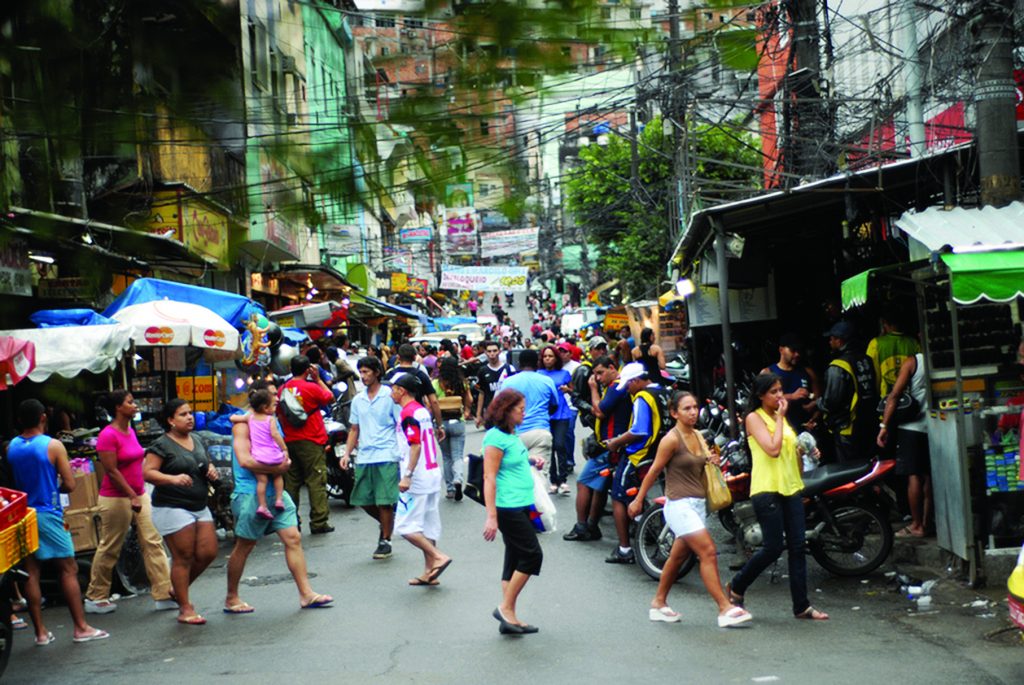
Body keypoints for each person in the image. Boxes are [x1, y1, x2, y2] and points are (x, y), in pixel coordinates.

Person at [629, 391, 753, 627]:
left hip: (697, 505)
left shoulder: (698, 435)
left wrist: (713, 462)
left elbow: (705, 464)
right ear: (674, 413)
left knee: (676, 558)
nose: (693, 412)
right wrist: (638, 499)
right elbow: (654, 470)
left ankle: (659, 603)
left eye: (695, 407)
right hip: (679, 505)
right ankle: (724, 608)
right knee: (707, 551)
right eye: (686, 408)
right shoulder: (671, 439)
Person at [226, 380, 333, 613]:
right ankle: (232, 596)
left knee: (293, 537)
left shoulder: (272, 420)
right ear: (259, 398)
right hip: (250, 493)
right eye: (273, 394)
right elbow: (245, 461)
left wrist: (284, 463)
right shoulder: (243, 425)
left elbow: (279, 452)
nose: (278, 398)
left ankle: (306, 594)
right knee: (245, 545)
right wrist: (280, 469)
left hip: (276, 491)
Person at [7, 399, 109, 645]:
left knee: (31, 572)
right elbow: (71, 483)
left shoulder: (12, 446)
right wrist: (56, 487)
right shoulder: (53, 446)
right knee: (68, 569)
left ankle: (40, 633)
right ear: (43, 417)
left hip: (21, 513)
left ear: (20, 420)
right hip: (48, 512)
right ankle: (81, 627)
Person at [728, 373, 828, 621]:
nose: (779, 396)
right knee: (772, 548)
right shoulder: (754, 418)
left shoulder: (781, 419)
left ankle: (802, 606)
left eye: (780, 390)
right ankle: (737, 586)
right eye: (773, 392)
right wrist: (782, 418)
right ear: (760, 395)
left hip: (790, 487)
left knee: (797, 546)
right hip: (767, 489)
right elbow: (772, 450)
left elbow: (791, 455)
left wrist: (806, 450)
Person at [85, 390, 174, 615]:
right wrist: (131, 495)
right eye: (130, 402)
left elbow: (135, 459)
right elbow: (112, 470)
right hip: (115, 498)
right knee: (111, 545)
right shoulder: (107, 435)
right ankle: (96, 596)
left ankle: (164, 594)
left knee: (152, 541)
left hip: (140, 493)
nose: (135, 406)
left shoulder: (130, 431)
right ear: (118, 408)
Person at [143, 399, 219, 625]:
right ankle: (185, 608)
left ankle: (178, 589)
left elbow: (204, 463)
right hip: (172, 506)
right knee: (183, 557)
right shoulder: (162, 445)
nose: (189, 417)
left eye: (190, 413)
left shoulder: (195, 439)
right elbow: (147, 473)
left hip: (198, 504)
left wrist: (211, 470)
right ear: (170, 420)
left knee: (208, 552)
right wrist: (172, 479)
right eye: (183, 414)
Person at [482, 389, 544, 635]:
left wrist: (531, 460)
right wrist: (491, 517)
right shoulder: (494, 438)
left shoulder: (510, 434)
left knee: (514, 557)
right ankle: (505, 607)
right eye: (520, 409)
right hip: (507, 506)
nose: (524, 413)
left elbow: (512, 459)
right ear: (506, 411)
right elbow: (489, 477)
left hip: (520, 502)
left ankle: (509, 617)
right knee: (532, 555)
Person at [391, 374, 452, 586]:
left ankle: (437, 556)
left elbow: (415, 445)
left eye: (394, 388)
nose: (391, 392)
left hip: (417, 478)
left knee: (404, 526)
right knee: (428, 524)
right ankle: (430, 572)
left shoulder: (408, 413)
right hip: (432, 473)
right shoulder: (422, 411)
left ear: (402, 391)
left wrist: (407, 475)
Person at [564, 356, 633, 542]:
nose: (598, 378)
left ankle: (582, 526)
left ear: (612, 368)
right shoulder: (619, 387)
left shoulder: (616, 387)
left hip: (610, 445)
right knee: (599, 486)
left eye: (600, 373)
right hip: (613, 445)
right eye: (595, 374)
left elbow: (600, 412)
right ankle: (591, 525)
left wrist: (594, 389)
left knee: (584, 482)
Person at [603, 362, 665, 564]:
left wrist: (616, 442)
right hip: (663, 453)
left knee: (619, 496)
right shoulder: (664, 392)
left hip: (640, 454)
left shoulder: (642, 397)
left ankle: (624, 549)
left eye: (628, 385)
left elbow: (639, 430)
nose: (627, 389)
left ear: (636, 381)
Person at [343, 356, 403, 559]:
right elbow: (354, 429)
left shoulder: (390, 395)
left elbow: (400, 424)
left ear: (377, 372)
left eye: (367, 372)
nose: (363, 376)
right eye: (361, 372)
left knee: (384, 500)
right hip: (365, 455)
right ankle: (387, 522)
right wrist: (346, 453)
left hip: (387, 453)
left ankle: (385, 539)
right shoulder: (358, 400)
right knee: (362, 498)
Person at [279, 355, 336, 534]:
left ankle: (291, 521)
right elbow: (330, 397)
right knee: (316, 480)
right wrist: (318, 379)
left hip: (288, 440)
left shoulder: (282, 389)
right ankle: (319, 522)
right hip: (311, 439)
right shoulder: (312, 387)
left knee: (291, 482)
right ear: (307, 370)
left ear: (291, 369)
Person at [878, 351, 931, 538]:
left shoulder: (913, 362)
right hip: (935, 426)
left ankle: (917, 525)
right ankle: (925, 522)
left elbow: (894, 395)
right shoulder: (941, 359)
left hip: (912, 427)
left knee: (914, 476)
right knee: (928, 476)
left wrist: (884, 426)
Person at [498, 349, 560, 489]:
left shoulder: (508, 382)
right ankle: (536, 509)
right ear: (537, 363)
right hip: (540, 432)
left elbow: (500, 408)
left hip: (515, 435)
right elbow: (554, 405)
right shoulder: (547, 381)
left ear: (519, 363)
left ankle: (521, 508)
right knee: (539, 477)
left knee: (515, 475)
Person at [818, 321, 877, 463]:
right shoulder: (867, 359)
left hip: (847, 428)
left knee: (850, 472)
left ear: (839, 341)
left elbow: (831, 402)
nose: (830, 342)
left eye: (831, 338)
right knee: (867, 467)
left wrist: (817, 402)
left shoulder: (838, 366)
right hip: (869, 424)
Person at [384, 343, 445, 441]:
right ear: (414, 357)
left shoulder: (389, 375)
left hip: (394, 421)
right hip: (417, 418)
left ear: (398, 357)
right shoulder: (421, 375)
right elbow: (433, 401)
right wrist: (439, 425)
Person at [762, 333, 821, 431]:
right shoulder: (767, 373)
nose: (797, 354)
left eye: (799, 351)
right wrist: (792, 396)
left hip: (805, 429)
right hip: (779, 430)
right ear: (781, 350)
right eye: (793, 350)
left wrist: (814, 417)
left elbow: (821, 400)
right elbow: (763, 402)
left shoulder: (808, 372)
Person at [434, 356, 472, 500]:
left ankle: (450, 488)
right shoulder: (462, 383)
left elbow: (431, 402)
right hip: (458, 421)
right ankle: (458, 479)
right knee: (457, 455)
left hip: (441, 422)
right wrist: (467, 411)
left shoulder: (436, 384)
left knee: (446, 456)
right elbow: (470, 400)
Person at [246, 388, 288, 520]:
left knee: (262, 481)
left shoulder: (250, 418)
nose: (275, 407)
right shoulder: (270, 419)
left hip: (258, 456)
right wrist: (284, 449)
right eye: (273, 405)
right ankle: (279, 500)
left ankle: (262, 506)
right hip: (272, 455)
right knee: (277, 476)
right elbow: (275, 435)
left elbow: (234, 418)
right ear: (265, 407)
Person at [538, 345, 573, 496]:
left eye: (551, 356)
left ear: (556, 358)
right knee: (549, 447)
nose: (547, 359)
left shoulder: (564, 374)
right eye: (545, 356)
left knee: (560, 444)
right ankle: (553, 481)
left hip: (562, 413)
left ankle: (563, 480)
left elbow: (573, 390)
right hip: (545, 414)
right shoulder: (538, 374)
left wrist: (568, 390)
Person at [867, 303, 921, 397]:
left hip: (886, 398)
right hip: (910, 398)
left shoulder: (876, 344)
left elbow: (873, 374)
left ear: (884, 323)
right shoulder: (913, 343)